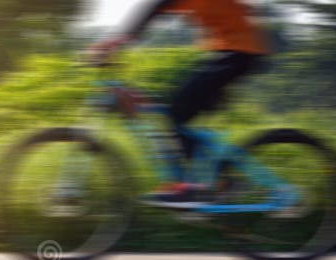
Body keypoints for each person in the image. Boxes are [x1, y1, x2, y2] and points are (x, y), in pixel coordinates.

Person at [88, 0, 270, 204]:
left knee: (177, 112)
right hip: (225, 53)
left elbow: (154, 7)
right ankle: (206, 182)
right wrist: (119, 40)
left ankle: (201, 185)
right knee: (171, 111)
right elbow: (154, 10)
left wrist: (117, 41)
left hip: (239, 54)